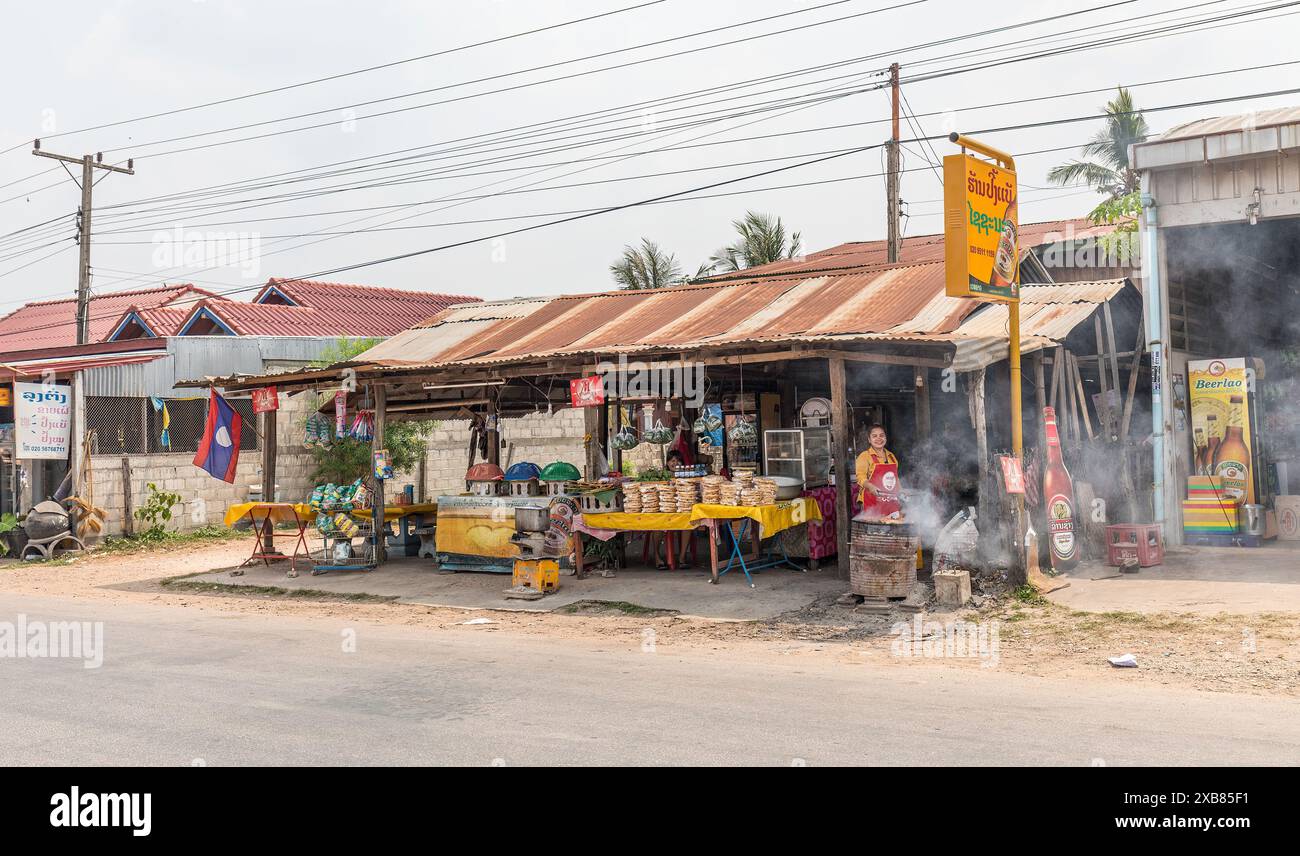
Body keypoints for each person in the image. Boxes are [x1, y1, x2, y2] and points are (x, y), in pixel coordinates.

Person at [855, 424, 901, 520]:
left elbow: (895, 479)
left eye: (881, 435)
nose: (878, 438)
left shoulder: (891, 456)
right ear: (869, 440)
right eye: (874, 436)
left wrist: (902, 491)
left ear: (885, 438)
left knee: (892, 530)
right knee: (875, 531)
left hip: (891, 503)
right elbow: (860, 477)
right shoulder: (865, 456)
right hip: (872, 502)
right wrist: (870, 486)